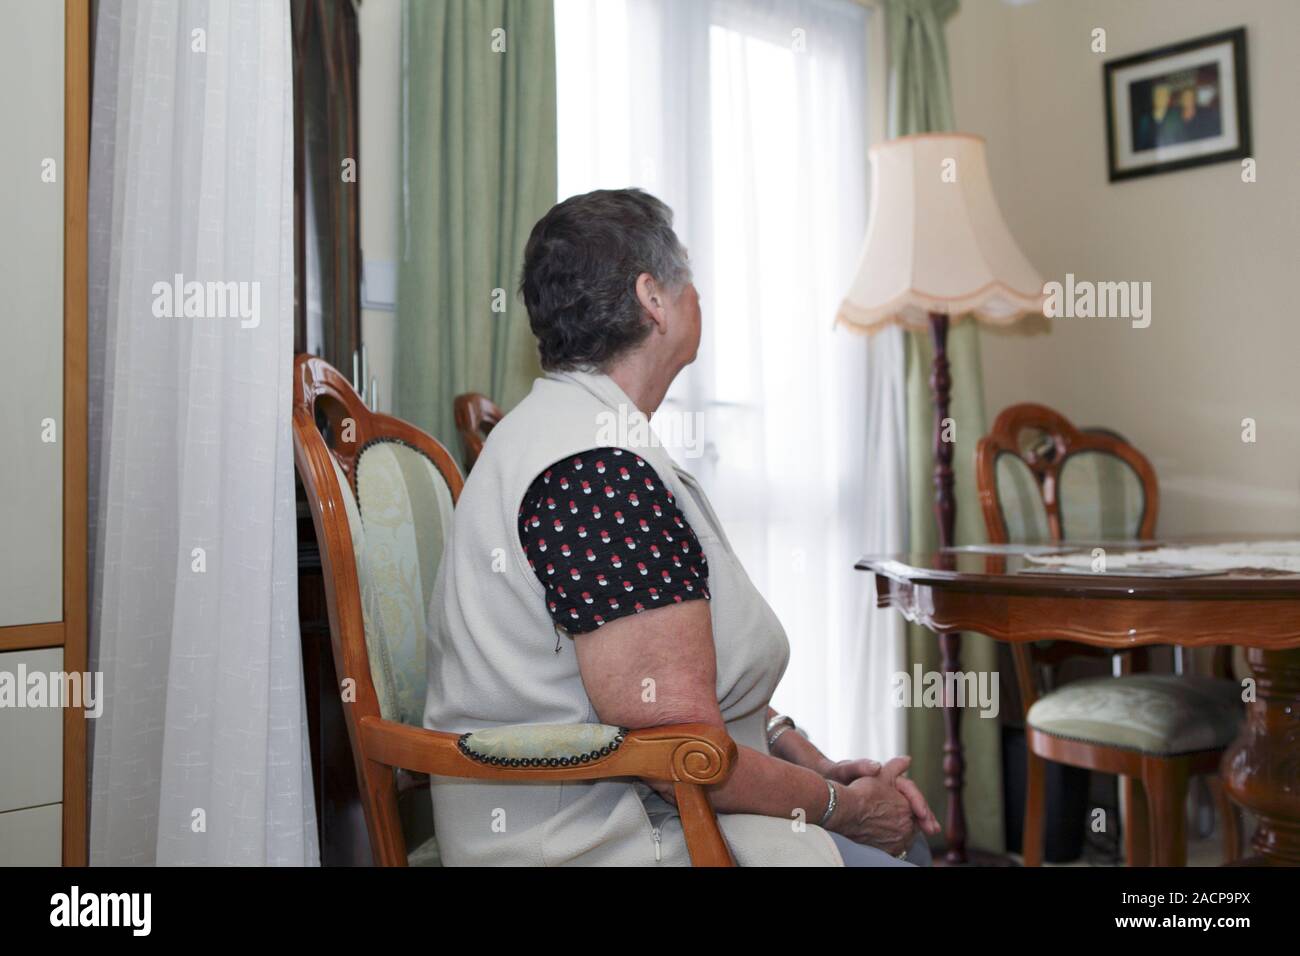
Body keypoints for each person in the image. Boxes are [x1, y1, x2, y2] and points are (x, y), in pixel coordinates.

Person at [424, 188, 940, 866]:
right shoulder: (597, 474)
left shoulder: (585, 440)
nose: (697, 295)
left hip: (635, 807)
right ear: (653, 298)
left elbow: (674, 685)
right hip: (606, 841)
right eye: (687, 276)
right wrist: (842, 806)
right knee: (909, 853)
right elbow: (680, 752)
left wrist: (803, 757)